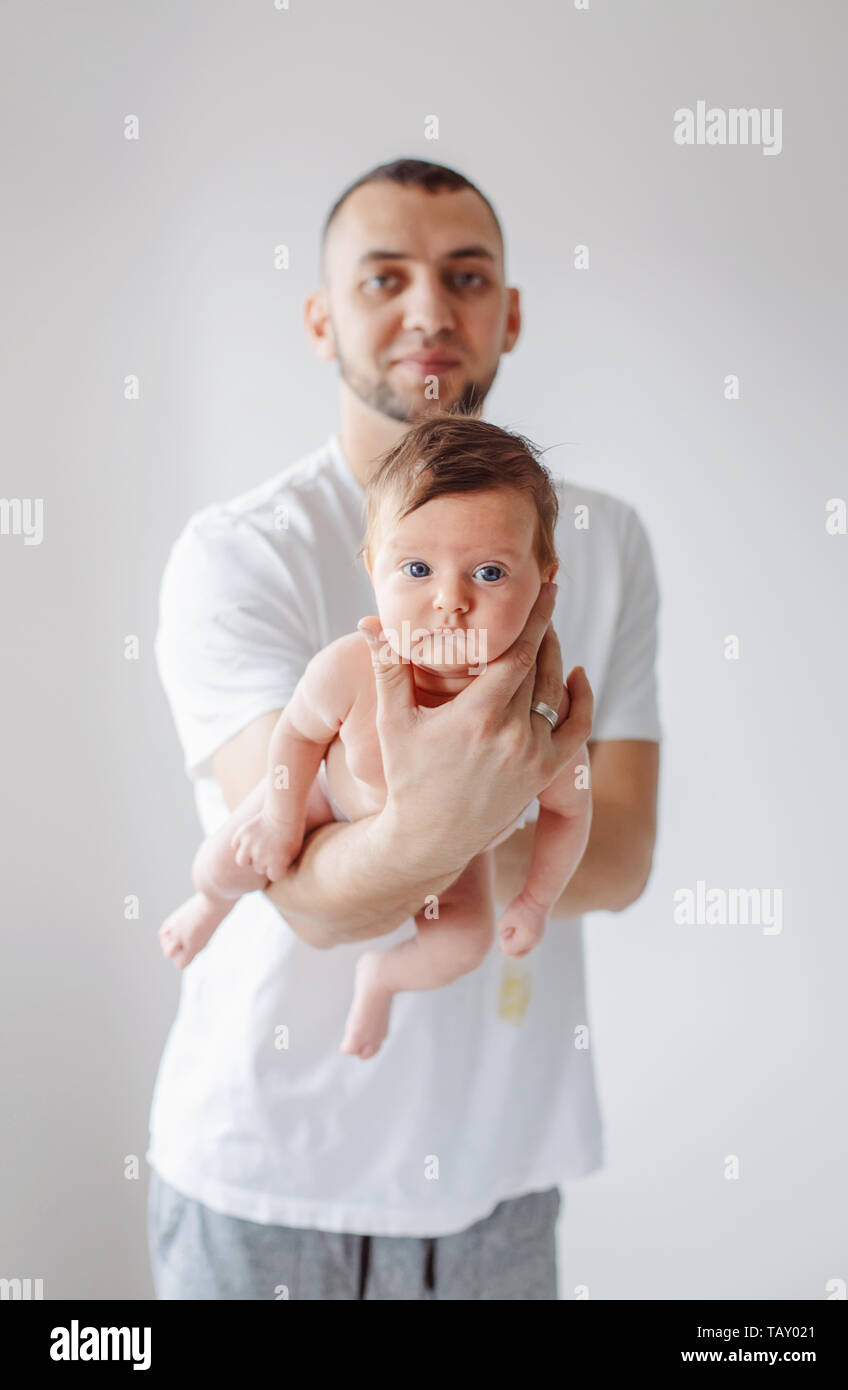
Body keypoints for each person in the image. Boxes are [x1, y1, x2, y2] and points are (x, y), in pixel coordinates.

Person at [147, 157, 662, 1301]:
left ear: (509, 314)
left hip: (499, 1178)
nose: (429, 309)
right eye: (383, 278)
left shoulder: (608, 545)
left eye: (465, 276)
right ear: (322, 317)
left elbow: (618, 854)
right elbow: (309, 895)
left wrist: (464, 849)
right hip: (270, 1181)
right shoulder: (241, 553)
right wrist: (476, 812)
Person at [157, 415, 593, 1062]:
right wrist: (282, 819)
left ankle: (382, 980)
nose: (450, 600)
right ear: (372, 566)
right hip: (328, 800)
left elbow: (569, 811)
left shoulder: (533, 725)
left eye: (491, 574)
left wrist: (534, 900)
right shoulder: (352, 668)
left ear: (544, 581)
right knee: (226, 857)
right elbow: (298, 740)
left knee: (465, 943)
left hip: (463, 852)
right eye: (416, 567)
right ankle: (209, 906)